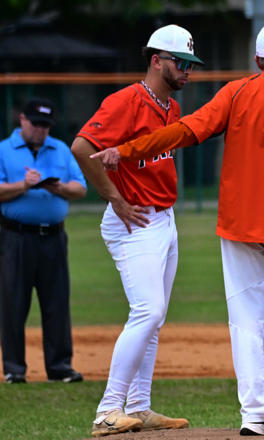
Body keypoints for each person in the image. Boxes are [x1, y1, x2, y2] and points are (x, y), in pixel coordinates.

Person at [90, 22, 264, 437]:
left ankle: (255, 415)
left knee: (244, 320)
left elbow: (184, 132)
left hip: (238, 223)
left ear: (257, 61)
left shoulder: (236, 91)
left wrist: (125, 150)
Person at [71, 24, 202, 437]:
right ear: (156, 60)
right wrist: (113, 197)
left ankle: (139, 407)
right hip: (134, 219)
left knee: (153, 318)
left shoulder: (171, 108)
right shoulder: (127, 101)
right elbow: (82, 147)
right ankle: (108, 411)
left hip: (163, 218)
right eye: (180, 62)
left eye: (190, 64)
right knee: (148, 311)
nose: (187, 71)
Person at [0, 98, 87, 384]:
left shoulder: (60, 149)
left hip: (53, 237)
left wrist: (59, 186)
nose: (41, 130)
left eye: (46, 126)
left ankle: (60, 367)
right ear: (22, 120)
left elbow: (80, 187)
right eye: (36, 124)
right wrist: (23, 185)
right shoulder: (4, 150)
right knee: (13, 302)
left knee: (57, 302)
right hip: (15, 238)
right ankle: (14, 369)